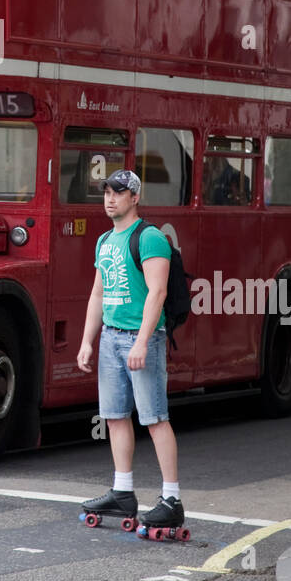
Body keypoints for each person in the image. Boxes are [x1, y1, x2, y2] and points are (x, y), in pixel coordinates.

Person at [76, 169, 184, 533]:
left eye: (118, 193)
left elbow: (158, 293)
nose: (110, 198)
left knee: (154, 418)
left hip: (143, 340)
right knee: (115, 416)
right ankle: (123, 491)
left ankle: (172, 499)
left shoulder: (150, 238)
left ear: (135, 198)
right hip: (110, 337)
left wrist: (141, 340)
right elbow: (97, 294)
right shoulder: (104, 240)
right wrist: (87, 340)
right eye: (106, 192)